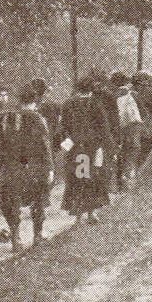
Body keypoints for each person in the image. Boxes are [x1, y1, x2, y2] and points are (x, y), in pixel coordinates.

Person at [0, 83, 54, 252]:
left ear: (18, 100)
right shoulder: (38, 118)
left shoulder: (5, 116)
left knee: (11, 202)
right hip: (33, 167)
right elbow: (44, 146)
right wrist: (50, 168)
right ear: (35, 100)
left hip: (10, 167)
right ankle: (37, 236)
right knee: (38, 200)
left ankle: (16, 238)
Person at [60, 76, 112, 224]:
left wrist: (66, 141)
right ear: (91, 90)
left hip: (74, 147)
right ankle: (91, 212)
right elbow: (104, 127)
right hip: (93, 146)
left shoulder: (68, 104)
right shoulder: (95, 104)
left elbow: (63, 127)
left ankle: (77, 213)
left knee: (77, 177)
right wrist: (108, 147)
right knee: (93, 177)